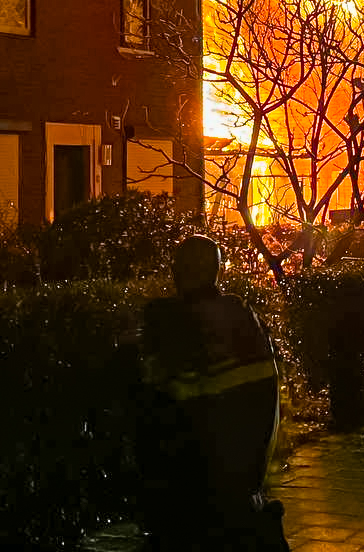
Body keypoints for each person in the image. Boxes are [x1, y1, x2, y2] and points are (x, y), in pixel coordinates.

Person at [138, 235, 288, 551]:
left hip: (194, 495)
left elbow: (155, 410)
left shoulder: (170, 323)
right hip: (245, 486)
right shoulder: (246, 317)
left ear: (179, 272)